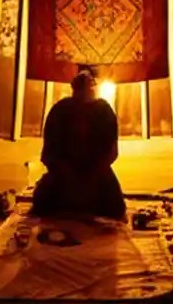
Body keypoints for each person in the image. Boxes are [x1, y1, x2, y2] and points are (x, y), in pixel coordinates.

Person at [30, 68, 126, 219]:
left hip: (97, 173)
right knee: (42, 201)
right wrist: (66, 173)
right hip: (64, 172)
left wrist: (93, 175)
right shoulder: (60, 110)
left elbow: (111, 151)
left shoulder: (104, 110)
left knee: (114, 207)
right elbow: (50, 151)